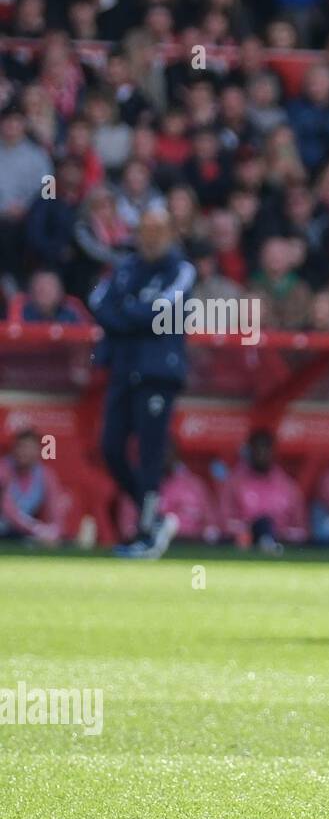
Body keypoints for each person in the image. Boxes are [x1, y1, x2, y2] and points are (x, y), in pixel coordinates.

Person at [88, 207, 194, 558]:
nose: (149, 237)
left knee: (150, 453)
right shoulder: (127, 267)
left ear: (169, 233)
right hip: (123, 368)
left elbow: (160, 312)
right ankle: (156, 519)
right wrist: (133, 313)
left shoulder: (180, 268)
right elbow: (97, 302)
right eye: (145, 229)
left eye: (157, 230)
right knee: (111, 447)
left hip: (157, 372)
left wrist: (126, 313)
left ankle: (147, 531)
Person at [220, 429, 308, 551]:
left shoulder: (287, 485)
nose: (262, 454)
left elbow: (301, 528)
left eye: (266, 449)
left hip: (282, 544)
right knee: (262, 525)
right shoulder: (234, 482)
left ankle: (269, 544)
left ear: (273, 452)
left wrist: (284, 534)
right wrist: (245, 530)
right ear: (250, 451)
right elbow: (223, 523)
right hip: (245, 544)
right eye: (258, 449)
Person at [0, 429, 69, 546]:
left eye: (30, 448)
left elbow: (55, 509)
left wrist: (54, 532)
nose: (25, 452)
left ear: (39, 451)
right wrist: (38, 529)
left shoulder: (46, 475)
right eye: (22, 447)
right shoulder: (3, 470)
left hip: (22, 534)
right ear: (14, 449)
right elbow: (8, 511)